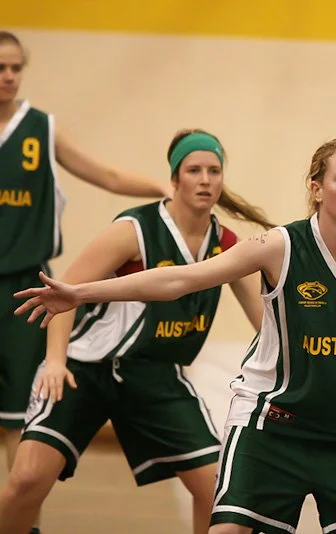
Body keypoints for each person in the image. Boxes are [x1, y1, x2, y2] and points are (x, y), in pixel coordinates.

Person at [12, 137, 336, 534]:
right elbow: (178, 280)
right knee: (228, 522)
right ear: (317, 188)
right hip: (274, 425)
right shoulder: (279, 246)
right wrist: (81, 293)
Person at [0, 129, 270, 534]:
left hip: (156, 375)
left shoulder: (228, 244)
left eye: (214, 170)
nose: (205, 179)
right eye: (194, 170)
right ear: (175, 179)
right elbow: (62, 296)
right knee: (27, 480)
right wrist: (55, 361)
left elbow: (266, 325)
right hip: (86, 369)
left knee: (218, 490)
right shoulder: (134, 229)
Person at [0, 31, 170, 524]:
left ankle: (22, 522)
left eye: (15, 68)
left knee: (18, 417)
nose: (9, 77)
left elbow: (109, 177)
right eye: (0, 68)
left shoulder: (41, 128)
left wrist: (164, 185)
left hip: (21, 286)